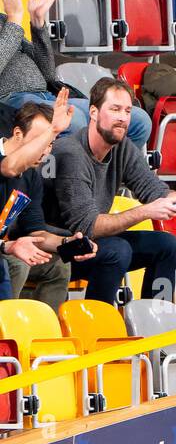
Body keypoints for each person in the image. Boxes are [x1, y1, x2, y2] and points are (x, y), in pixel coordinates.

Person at [46, 77, 176, 304]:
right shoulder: (71, 154)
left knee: (166, 246)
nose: (122, 118)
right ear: (93, 112)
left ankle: (157, 324)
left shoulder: (122, 148)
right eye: (115, 109)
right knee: (117, 250)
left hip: (90, 243)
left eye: (128, 111)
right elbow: (88, 227)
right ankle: (100, 331)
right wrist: (145, 212)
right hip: (56, 248)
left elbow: (158, 193)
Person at [0, 0, 152, 147]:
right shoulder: (12, 22)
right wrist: (14, 20)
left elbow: (48, 75)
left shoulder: (4, 21)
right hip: (11, 102)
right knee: (74, 119)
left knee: (139, 121)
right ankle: (78, 169)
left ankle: (105, 169)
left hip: (47, 96)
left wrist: (37, 24)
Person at [0, 95, 99, 305]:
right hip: (3, 250)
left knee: (59, 266)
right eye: (40, 141)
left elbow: (36, 232)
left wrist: (67, 242)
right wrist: (52, 130)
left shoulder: (32, 176)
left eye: (50, 144)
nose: (45, 151)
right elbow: (8, 167)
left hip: (4, 249)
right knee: (16, 264)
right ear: (17, 133)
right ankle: (8, 334)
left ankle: (41, 333)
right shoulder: (6, 163)